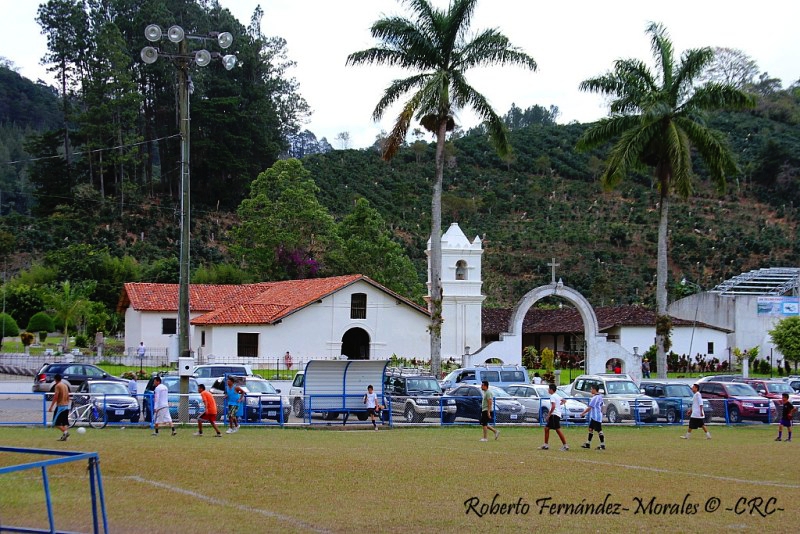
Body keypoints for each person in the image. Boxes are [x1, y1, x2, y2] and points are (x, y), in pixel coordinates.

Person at [540, 383, 568, 451]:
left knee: (557, 430)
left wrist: (549, 415)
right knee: (547, 428)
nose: (548, 390)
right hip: (557, 414)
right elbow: (564, 400)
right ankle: (546, 445)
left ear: (551, 390)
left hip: (554, 415)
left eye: (549, 389)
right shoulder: (557, 396)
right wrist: (560, 404)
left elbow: (553, 406)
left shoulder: (552, 396)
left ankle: (565, 445)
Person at [580, 383, 605, 450]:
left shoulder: (595, 398)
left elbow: (590, 407)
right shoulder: (600, 396)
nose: (590, 390)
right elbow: (602, 406)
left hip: (596, 417)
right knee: (590, 429)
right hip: (596, 416)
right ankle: (588, 443)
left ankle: (602, 445)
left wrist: (583, 413)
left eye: (591, 389)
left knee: (599, 430)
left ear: (594, 389)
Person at [49, 373, 71, 441]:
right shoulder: (65, 385)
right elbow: (68, 395)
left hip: (60, 407)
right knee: (64, 423)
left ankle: (66, 432)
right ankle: (65, 437)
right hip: (66, 406)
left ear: (55, 379)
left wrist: (51, 406)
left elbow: (56, 396)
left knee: (56, 423)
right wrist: (68, 402)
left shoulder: (57, 386)